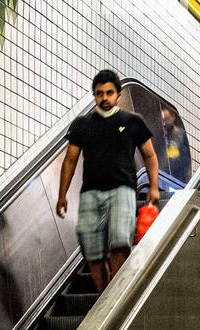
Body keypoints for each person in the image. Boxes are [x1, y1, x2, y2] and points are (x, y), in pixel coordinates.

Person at [57, 70, 160, 293]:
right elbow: (70, 161)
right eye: (99, 93)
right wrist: (62, 195)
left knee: (120, 242)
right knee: (92, 251)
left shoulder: (132, 121)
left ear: (118, 94)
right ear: (94, 95)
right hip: (90, 194)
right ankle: (105, 297)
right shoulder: (81, 125)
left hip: (122, 190)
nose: (104, 98)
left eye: (109, 93)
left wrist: (153, 186)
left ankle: (117, 295)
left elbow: (150, 155)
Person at [160, 106, 192, 182]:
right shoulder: (162, 135)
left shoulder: (180, 134)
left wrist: (187, 173)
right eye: (163, 121)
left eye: (167, 119)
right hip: (165, 174)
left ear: (173, 117)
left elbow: (186, 157)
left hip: (179, 175)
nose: (165, 124)